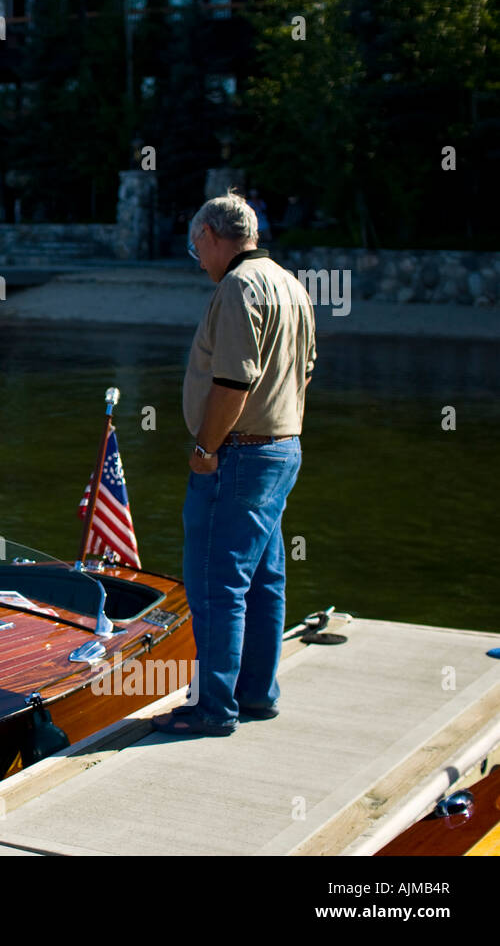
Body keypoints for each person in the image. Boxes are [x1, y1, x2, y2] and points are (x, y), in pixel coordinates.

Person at [151, 191, 316, 737]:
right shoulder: (292, 285)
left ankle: (213, 707)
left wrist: (205, 449)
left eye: (197, 245)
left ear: (213, 236)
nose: (196, 256)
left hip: (238, 454)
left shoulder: (239, 287)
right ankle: (256, 694)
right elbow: (306, 372)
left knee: (214, 582)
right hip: (280, 447)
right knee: (264, 578)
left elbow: (233, 380)